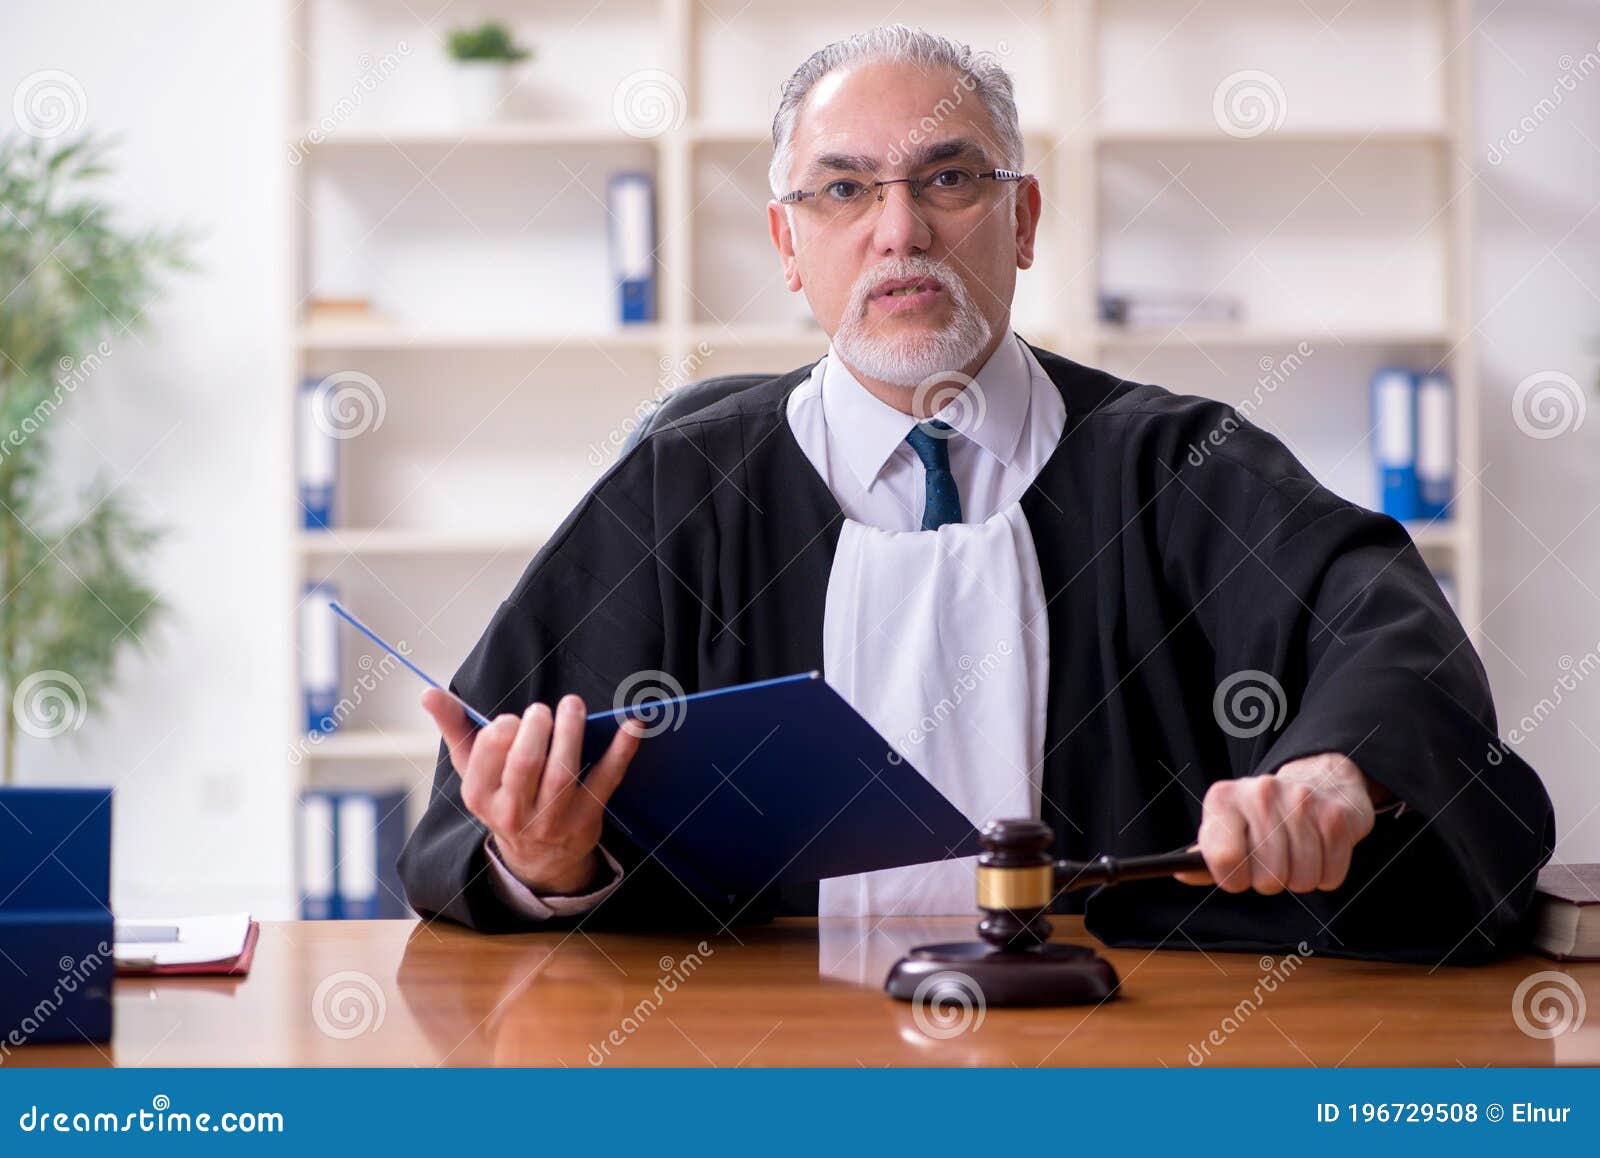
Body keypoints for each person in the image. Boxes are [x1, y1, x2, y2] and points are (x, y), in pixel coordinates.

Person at [397, 25, 1553, 962]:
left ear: (1024, 217)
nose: (900, 231)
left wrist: (1330, 771)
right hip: (763, 1064)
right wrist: (543, 861)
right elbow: (485, 807)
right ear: (787, 246)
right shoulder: (685, 488)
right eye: (843, 190)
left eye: (948, 176)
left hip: (1120, 1064)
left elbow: (1389, 634)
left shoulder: (1173, 464)